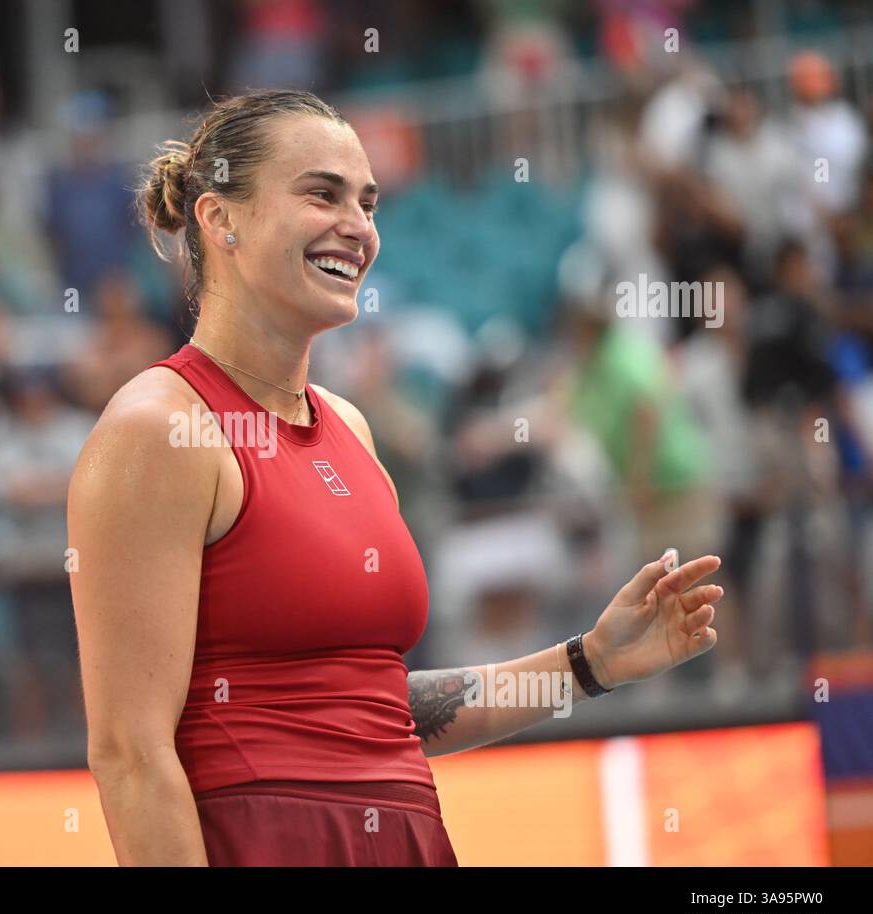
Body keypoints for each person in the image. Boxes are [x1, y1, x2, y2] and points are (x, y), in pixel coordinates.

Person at [67, 90, 724, 867]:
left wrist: (587, 665)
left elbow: (374, 712)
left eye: (369, 202)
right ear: (220, 219)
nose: (359, 225)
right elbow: (131, 756)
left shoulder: (351, 428)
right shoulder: (157, 429)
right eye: (322, 193)